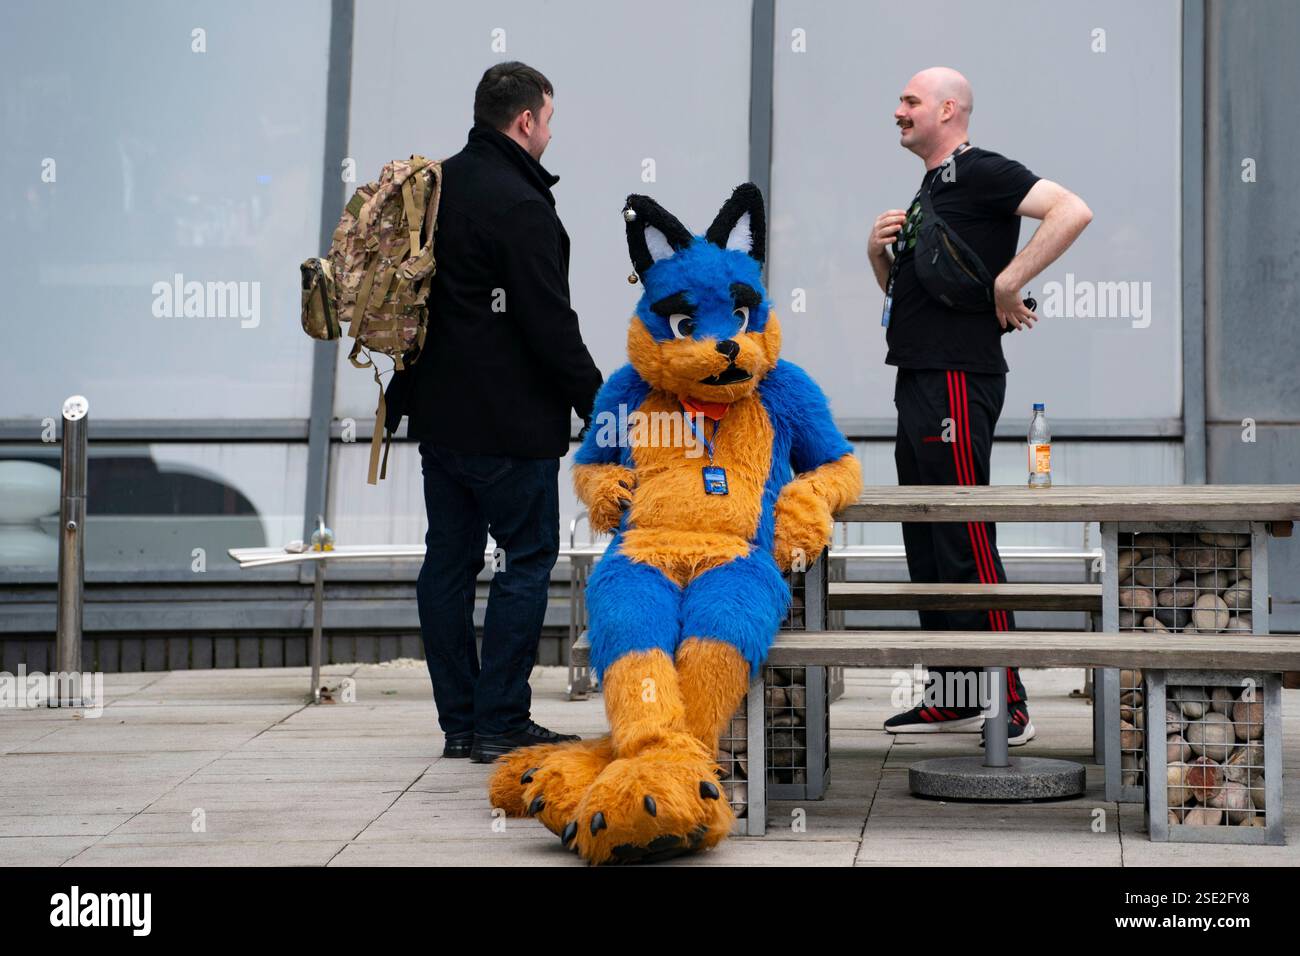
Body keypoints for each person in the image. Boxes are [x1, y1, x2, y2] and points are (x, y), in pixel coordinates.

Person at [867, 67, 1092, 745]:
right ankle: (956, 694)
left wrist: (1009, 281)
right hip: (919, 375)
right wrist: (877, 253)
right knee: (927, 538)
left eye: (909, 102)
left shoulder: (981, 168)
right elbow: (904, 296)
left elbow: (1072, 210)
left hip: (960, 379)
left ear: (947, 109)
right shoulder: (931, 187)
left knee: (963, 532)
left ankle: (1007, 702)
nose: (898, 111)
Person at [397, 62, 604, 763]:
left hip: (439, 420)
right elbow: (548, 323)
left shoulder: (438, 187)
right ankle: (501, 722)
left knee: (448, 564)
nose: (549, 133)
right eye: (548, 120)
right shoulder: (519, 204)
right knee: (526, 559)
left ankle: (460, 722)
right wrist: (601, 404)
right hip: (508, 427)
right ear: (525, 122)